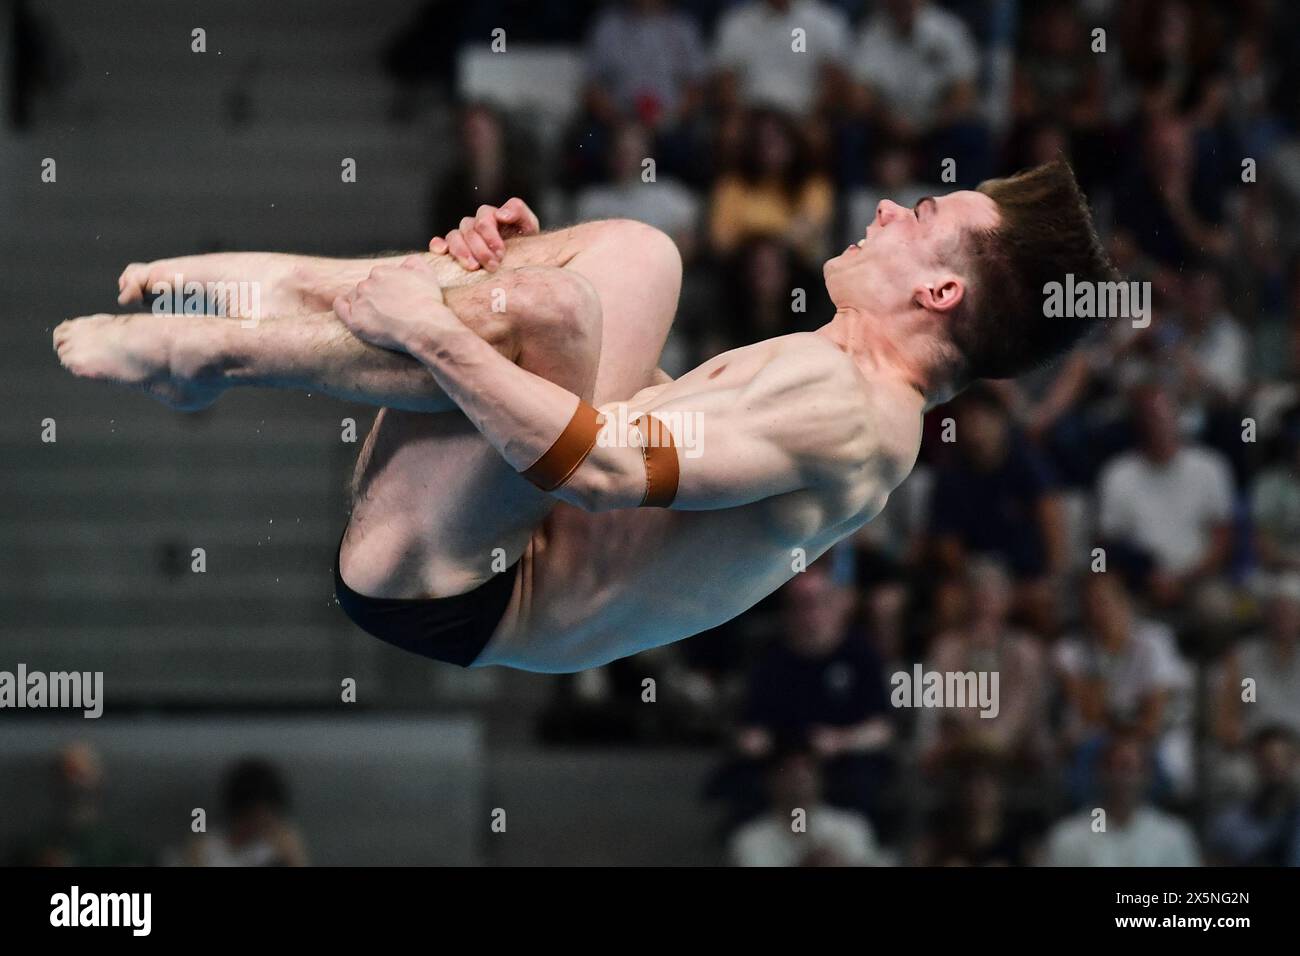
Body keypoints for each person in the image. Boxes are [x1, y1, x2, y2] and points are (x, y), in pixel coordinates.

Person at [55, 159, 1115, 673]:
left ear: (940, 296)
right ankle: (227, 310)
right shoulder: (831, 365)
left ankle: (220, 350)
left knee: (543, 306)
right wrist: (512, 271)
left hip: (464, 585)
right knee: (620, 261)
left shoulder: (854, 416)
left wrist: (450, 331)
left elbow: (600, 471)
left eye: (920, 216)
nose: (888, 208)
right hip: (500, 517)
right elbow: (640, 413)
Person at [728, 744, 884, 867]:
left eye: (807, 769)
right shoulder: (749, 840)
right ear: (770, 780)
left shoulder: (852, 827)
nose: (799, 777)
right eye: (789, 771)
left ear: (821, 778)